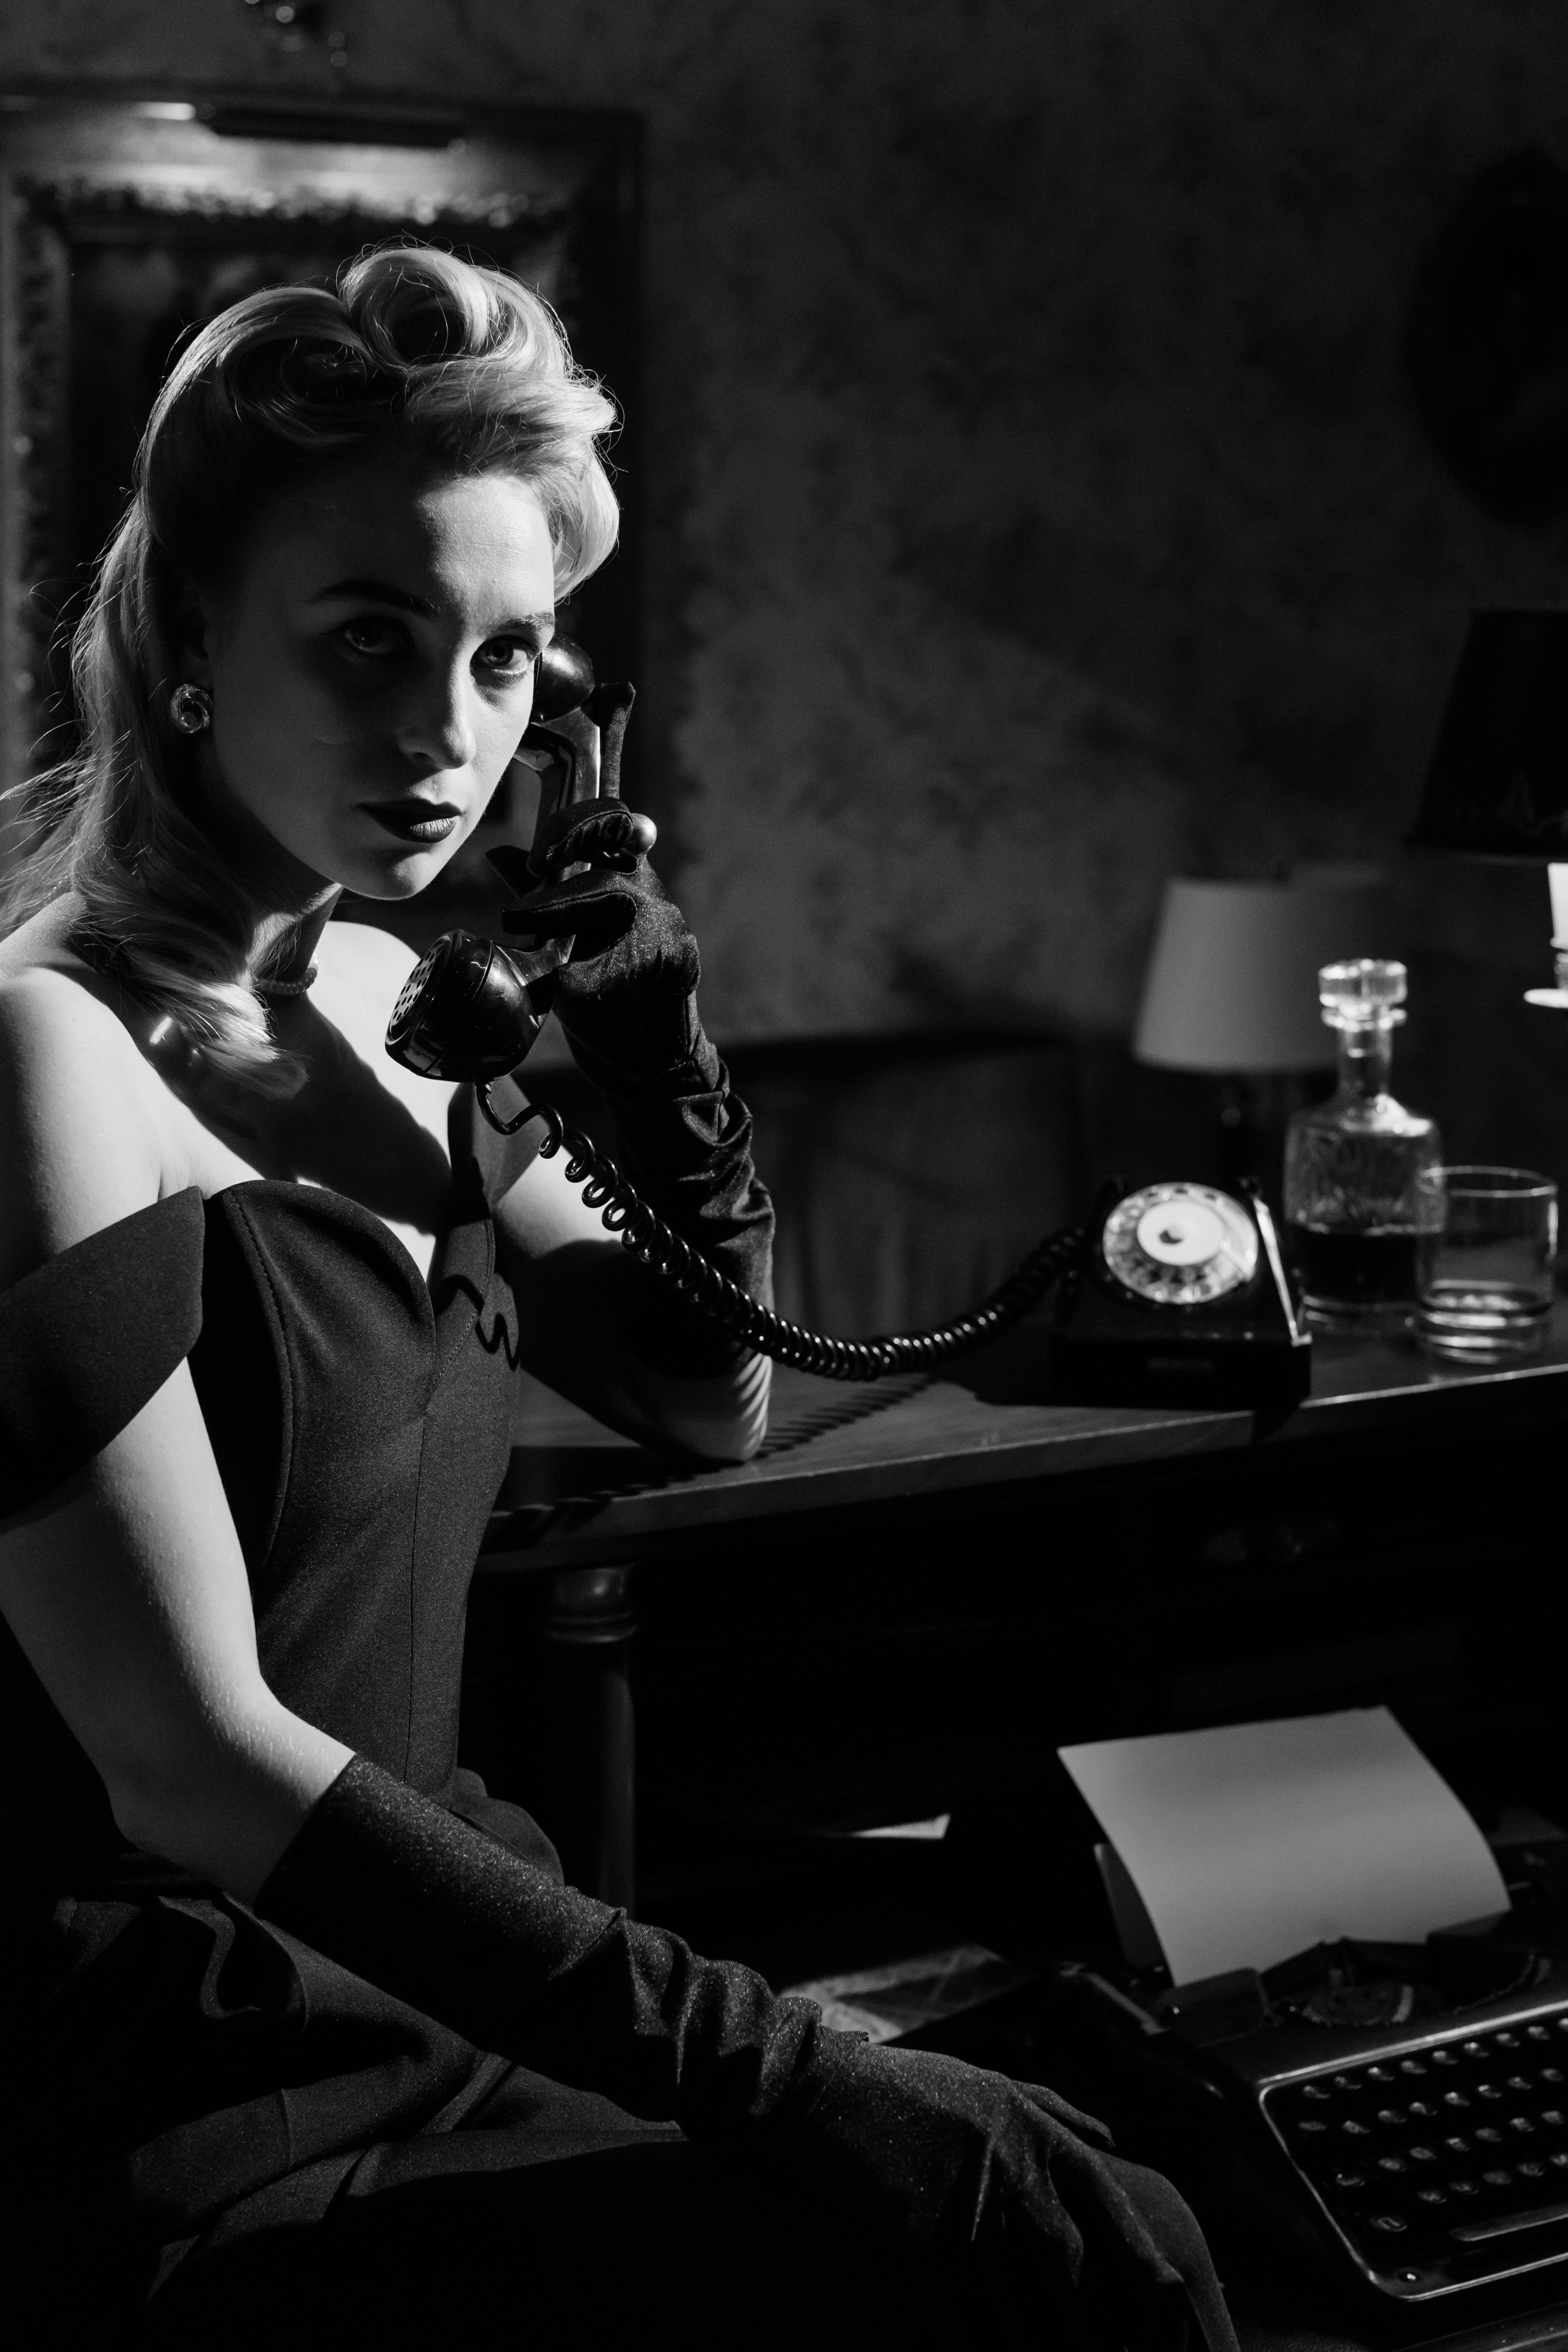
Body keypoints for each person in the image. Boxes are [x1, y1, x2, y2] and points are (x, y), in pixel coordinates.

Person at [0, 247, 1236, 2349]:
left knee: (1133, 2142)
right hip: (206, 2087)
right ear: (192, 643)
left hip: (466, 1991)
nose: (448, 733)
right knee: (1030, 2255)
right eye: (371, 642)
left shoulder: (401, 1006)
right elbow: (187, 1760)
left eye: (504, 666)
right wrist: (787, 2065)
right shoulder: (48, 1056)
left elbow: (704, 1403)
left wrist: (659, 1059)